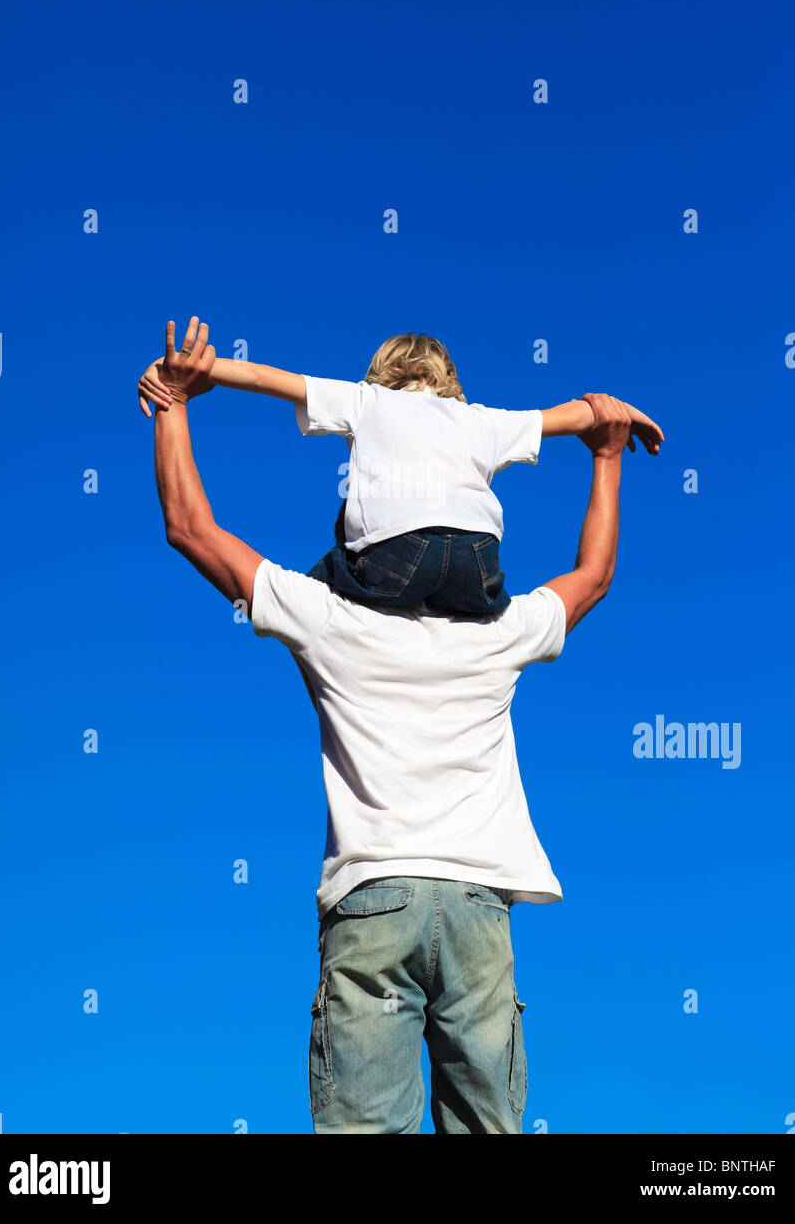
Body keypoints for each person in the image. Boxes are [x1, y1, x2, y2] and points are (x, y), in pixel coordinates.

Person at [149, 316, 648, 1134]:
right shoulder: (501, 635)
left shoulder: (328, 620)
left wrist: (174, 403)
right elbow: (593, 576)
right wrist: (606, 457)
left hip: (373, 900)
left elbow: (190, 529)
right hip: (479, 910)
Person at [139, 330, 662, 615]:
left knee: (325, 576)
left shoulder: (366, 400)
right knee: (477, 601)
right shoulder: (481, 419)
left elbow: (268, 377)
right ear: (449, 379)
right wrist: (620, 412)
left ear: (381, 372)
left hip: (395, 553)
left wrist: (195, 373)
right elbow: (569, 416)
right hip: (478, 563)